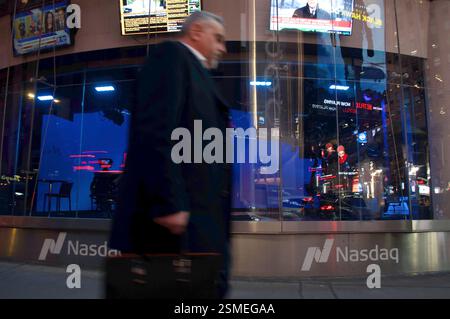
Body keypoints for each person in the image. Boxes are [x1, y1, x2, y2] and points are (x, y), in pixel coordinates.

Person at [108, 11, 230, 298]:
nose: (223, 48)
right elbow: (157, 130)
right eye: (219, 39)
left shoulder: (199, 74)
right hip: (170, 229)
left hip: (195, 226)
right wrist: (168, 203)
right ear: (197, 31)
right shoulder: (171, 56)